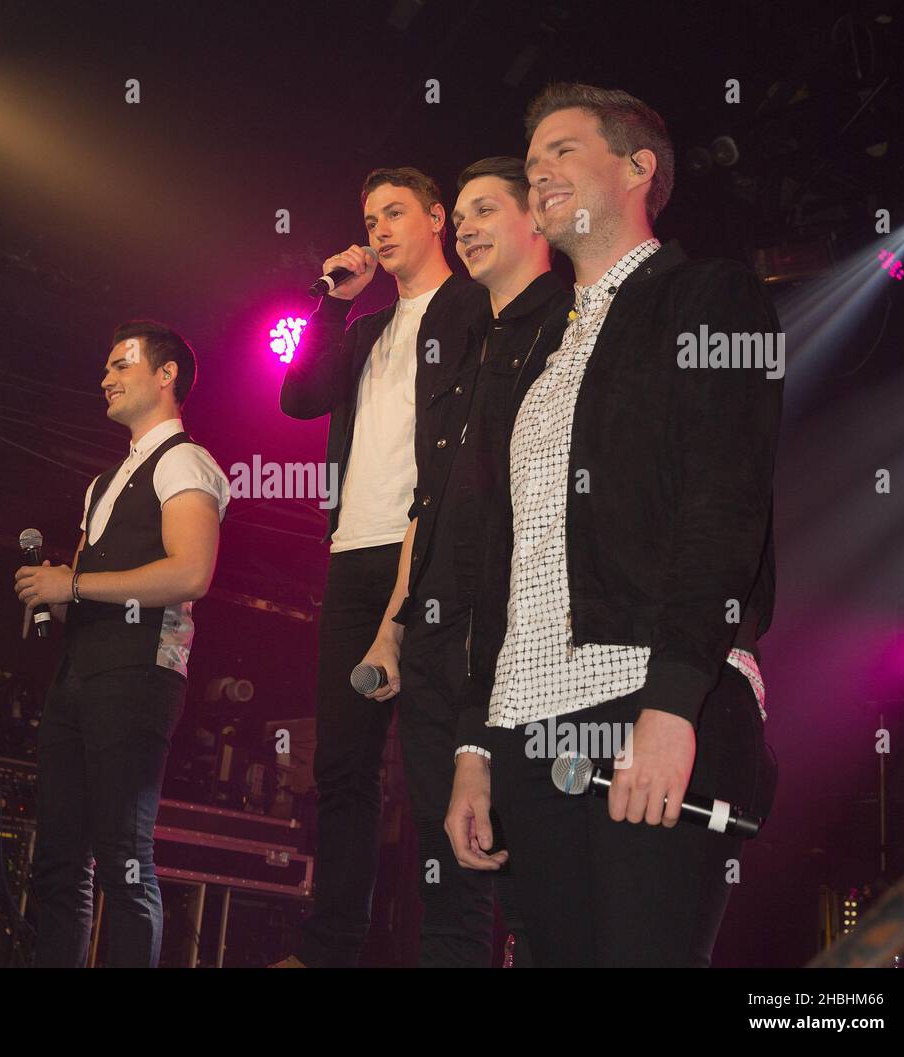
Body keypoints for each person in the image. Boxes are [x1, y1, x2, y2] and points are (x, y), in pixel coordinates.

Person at [445, 83, 781, 967]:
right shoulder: (538, 352)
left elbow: (724, 505)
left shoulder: (710, 297)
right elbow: (504, 563)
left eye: (562, 151)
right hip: (529, 722)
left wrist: (674, 705)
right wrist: (478, 745)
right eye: (533, 162)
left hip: (651, 693)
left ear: (638, 169)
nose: (539, 171)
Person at [354, 156, 569, 966]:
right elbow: (428, 506)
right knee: (444, 885)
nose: (471, 226)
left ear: (538, 221)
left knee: (527, 882)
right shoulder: (468, 349)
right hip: (437, 645)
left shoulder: (568, 334)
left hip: (517, 648)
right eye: (466, 211)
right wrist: (392, 629)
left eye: (486, 209)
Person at [276, 168, 490, 966]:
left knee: (436, 765)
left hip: (431, 552)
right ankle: (331, 947)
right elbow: (298, 397)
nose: (380, 229)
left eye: (395, 212)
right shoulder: (363, 330)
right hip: (352, 553)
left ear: (438, 217)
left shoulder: (474, 306)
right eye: (370, 218)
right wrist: (332, 301)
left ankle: (454, 948)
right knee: (342, 766)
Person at [17, 320, 229, 968]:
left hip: (139, 671)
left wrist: (74, 581)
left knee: (122, 854)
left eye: (120, 365)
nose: (105, 378)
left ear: (165, 375)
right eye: (105, 367)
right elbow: (82, 585)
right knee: (58, 858)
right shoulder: (103, 481)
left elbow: (191, 571)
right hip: (81, 671)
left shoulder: (186, 461)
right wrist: (53, 592)